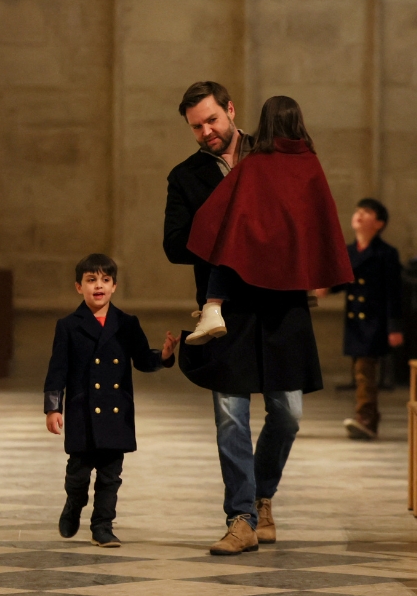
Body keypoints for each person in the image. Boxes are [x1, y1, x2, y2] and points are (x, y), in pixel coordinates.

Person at [162, 82, 343, 556]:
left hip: (281, 303)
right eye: (196, 127)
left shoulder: (275, 156)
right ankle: (240, 518)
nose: (206, 132)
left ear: (230, 111)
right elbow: (174, 244)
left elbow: (308, 217)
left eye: (212, 121)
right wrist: (231, 219)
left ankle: (263, 495)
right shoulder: (185, 176)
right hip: (225, 309)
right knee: (230, 417)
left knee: (289, 413)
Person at [185, 95, 354, 344]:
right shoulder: (310, 162)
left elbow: (222, 208)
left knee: (224, 236)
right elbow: (318, 217)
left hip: (254, 255)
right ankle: (303, 284)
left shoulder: (256, 161)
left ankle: (213, 307)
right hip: (292, 258)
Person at [43, 253, 179, 548]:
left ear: (114, 286)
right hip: (82, 411)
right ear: (79, 287)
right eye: (91, 280)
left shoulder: (127, 323)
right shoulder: (68, 325)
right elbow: (57, 371)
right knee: (77, 475)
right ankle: (73, 505)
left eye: (105, 280)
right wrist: (53, 407)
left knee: (110, 476)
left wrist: (164, 356)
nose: (98, 286)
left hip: (116, 413)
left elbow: (143, 359)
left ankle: (102, 526)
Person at [316, 199, 404, 441]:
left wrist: (394, 326)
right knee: (361, 372)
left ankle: (365, 417)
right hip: (356, 322)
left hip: (375, 322)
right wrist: (327, 288)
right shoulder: (350, 252)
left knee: (364, 371)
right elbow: (345, 280)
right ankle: (370, 419)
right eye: (357, 211)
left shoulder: (386, 253)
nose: (359, 215)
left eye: (366, 212)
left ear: (378, 223)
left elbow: (393, 292)